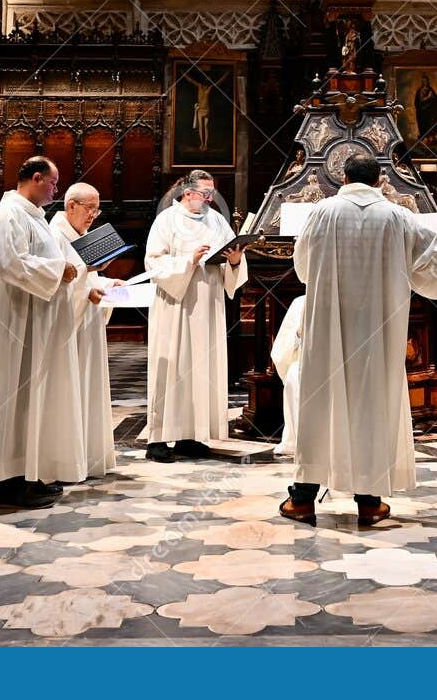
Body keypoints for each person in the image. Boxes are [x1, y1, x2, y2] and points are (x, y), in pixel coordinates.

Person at [282, 153, 437, 525]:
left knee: (320, 404)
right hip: (379, 329)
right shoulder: (396, 215)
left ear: (343, 177)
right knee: (372, 405)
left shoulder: (323, 212)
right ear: (379, 181)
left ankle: (303, 499)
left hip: (328, 327)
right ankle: (369, 501)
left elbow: (303, 267)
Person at [0, 156, 83, 509]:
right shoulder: (9, 215)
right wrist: (60, 271)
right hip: (12, 323)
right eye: (54, 184)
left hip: (32, 321)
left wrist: (63, 270)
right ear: (37, 178)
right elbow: (13, 264)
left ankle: (29, 475)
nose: (56, 190)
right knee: (10, 399)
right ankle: (10, 485)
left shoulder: (31, 216)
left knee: (28, 401)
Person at [142, 169, 247, 462]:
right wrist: (189, 260)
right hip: (176, 306)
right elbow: (154, 262)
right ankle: (159, 438)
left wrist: (235, 261)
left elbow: (232, 261)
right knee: (172, 368)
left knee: (201, 369)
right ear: (188, 193)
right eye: (204, 193)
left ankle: (191, 434)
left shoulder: (216, 220)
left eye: (212, 193)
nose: (209, 198)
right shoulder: (167, 220)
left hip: (207, 305)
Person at [45, 182, 119, 482]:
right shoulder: (54, 236)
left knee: (87, 387)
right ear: (70, 205)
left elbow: (86, 278)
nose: (93, 215)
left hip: (86, 325)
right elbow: (54, 283)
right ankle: (64, 462)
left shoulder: (83, 236)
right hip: (66, 328)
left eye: (96, 209)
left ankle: (87, 457)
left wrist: (107, 283)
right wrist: (86, 289)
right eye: (89, 208)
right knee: (67, 390)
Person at [270, 293, 306, 456]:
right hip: (303, 360)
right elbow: (280, 350)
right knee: (293, 374)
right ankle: (296, 441)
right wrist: (298, 334)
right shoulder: (300, 302)